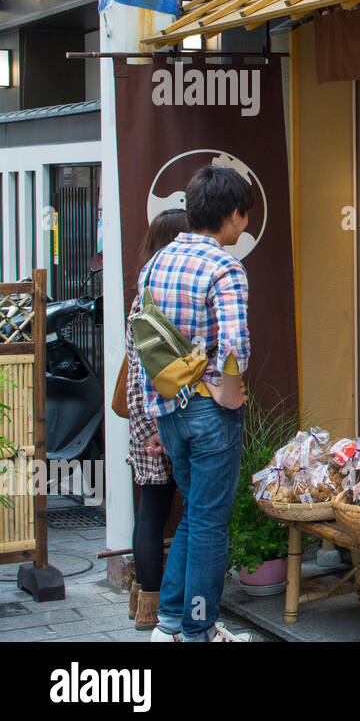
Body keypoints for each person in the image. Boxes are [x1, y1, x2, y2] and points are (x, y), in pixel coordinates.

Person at [142, 165, 253, 643]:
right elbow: (234, 342)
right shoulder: (224, 266)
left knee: (194, 513)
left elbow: (143, 336)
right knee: (210, 521)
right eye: (243, 214)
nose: (244, 223)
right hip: (210, 408)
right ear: (231, 214)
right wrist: (229, 389)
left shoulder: (158, 261)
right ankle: (199, 629)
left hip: (168, 407)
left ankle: (170, 622)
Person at [126, 209, 187, 630]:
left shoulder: (143, 290)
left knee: (153, 506)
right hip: (159, 413)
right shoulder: (165, 294)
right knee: (165, 509)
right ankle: (158, 604)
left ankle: (146, 602)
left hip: (141, 412)